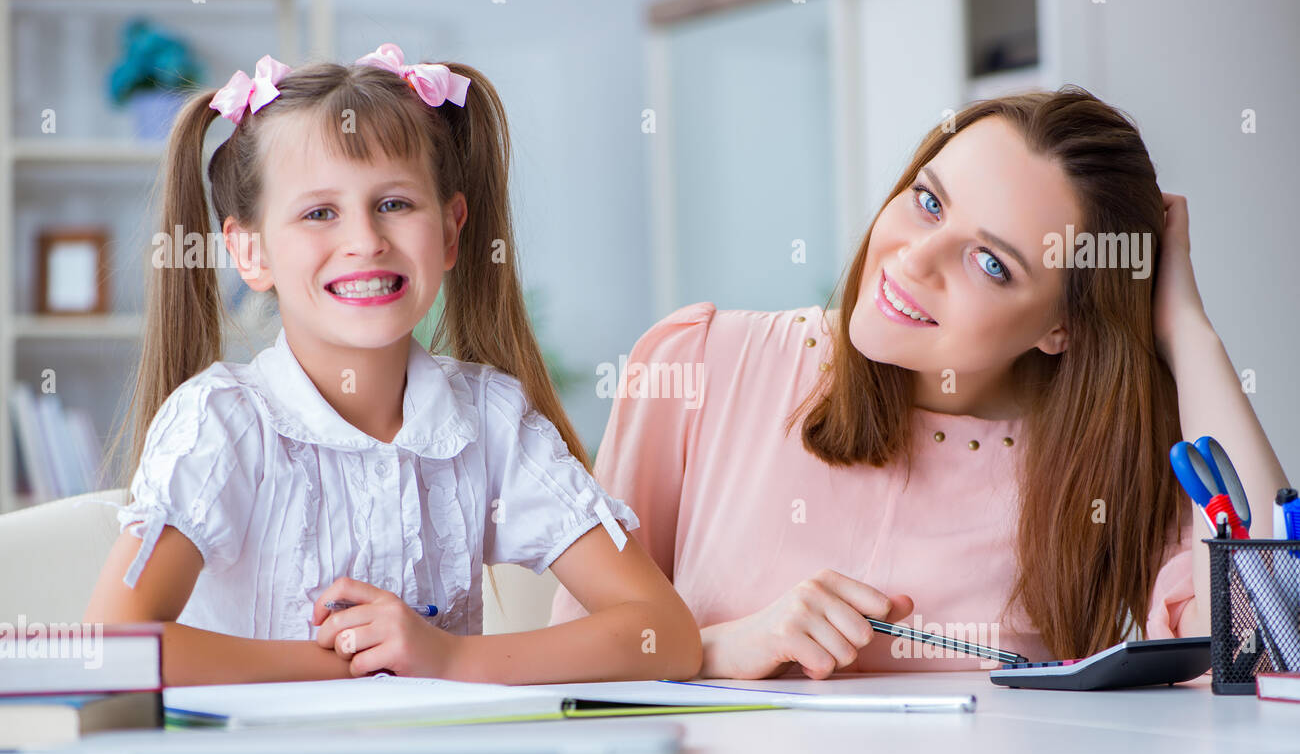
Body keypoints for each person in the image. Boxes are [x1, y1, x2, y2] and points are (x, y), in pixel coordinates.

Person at [550, 85, 1289, 680]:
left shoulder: (1104, 462)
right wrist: (718, 649)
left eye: (991, 262)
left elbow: (1265, 647)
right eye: (929, 202)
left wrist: (1186, 328)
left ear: (1058, 328)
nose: (914, 259)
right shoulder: (703, 364)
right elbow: (569, 668)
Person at [85, 44, 701, 686]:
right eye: (320, 213)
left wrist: (448, 657)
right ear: (250, 251)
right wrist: (356, 663)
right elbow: (110, 651)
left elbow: (666, 634)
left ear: (453, 231)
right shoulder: (222, 425)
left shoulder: (490, 420)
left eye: (395, 204)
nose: (365, 241)